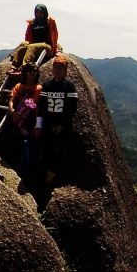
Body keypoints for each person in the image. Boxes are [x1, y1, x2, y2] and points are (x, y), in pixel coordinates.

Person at [35, 54, 79, 189]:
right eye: (55, 67)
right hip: (48, 127)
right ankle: (41, 181)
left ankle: (49, 184)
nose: (57, 70)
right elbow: (41, 108)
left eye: (60, 68)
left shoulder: (70, 86)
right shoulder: (47, 85)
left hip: (63, 129)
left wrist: (63, 126)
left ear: (65, 70)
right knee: (45, 153)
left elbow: (72, 109)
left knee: (57, 157)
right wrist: (39, 126)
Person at [8, 63, 42, 184]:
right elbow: (11, 100)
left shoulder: (38, 88)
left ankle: (27, 175)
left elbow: (36, 107)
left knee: (30, 148)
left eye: (34, 71)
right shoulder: (19, 86)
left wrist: (37, 126)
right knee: (17, 146)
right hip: (17, 120)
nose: (32, 73)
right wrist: (12, 112)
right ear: (25, 73)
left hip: (30, 122)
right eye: (30, 71)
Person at [8, 3, 59, 74]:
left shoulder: (49, 22)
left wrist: (54, 49)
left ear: (45, 12)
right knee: (23, 44)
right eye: (37, 12)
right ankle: (14, 67)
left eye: (41, 12)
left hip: (47, 46)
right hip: (36, 44)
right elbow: (28, 38)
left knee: (31, 47)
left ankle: (25, 67)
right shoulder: (33, 23)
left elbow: (55, 36)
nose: (39, 14)